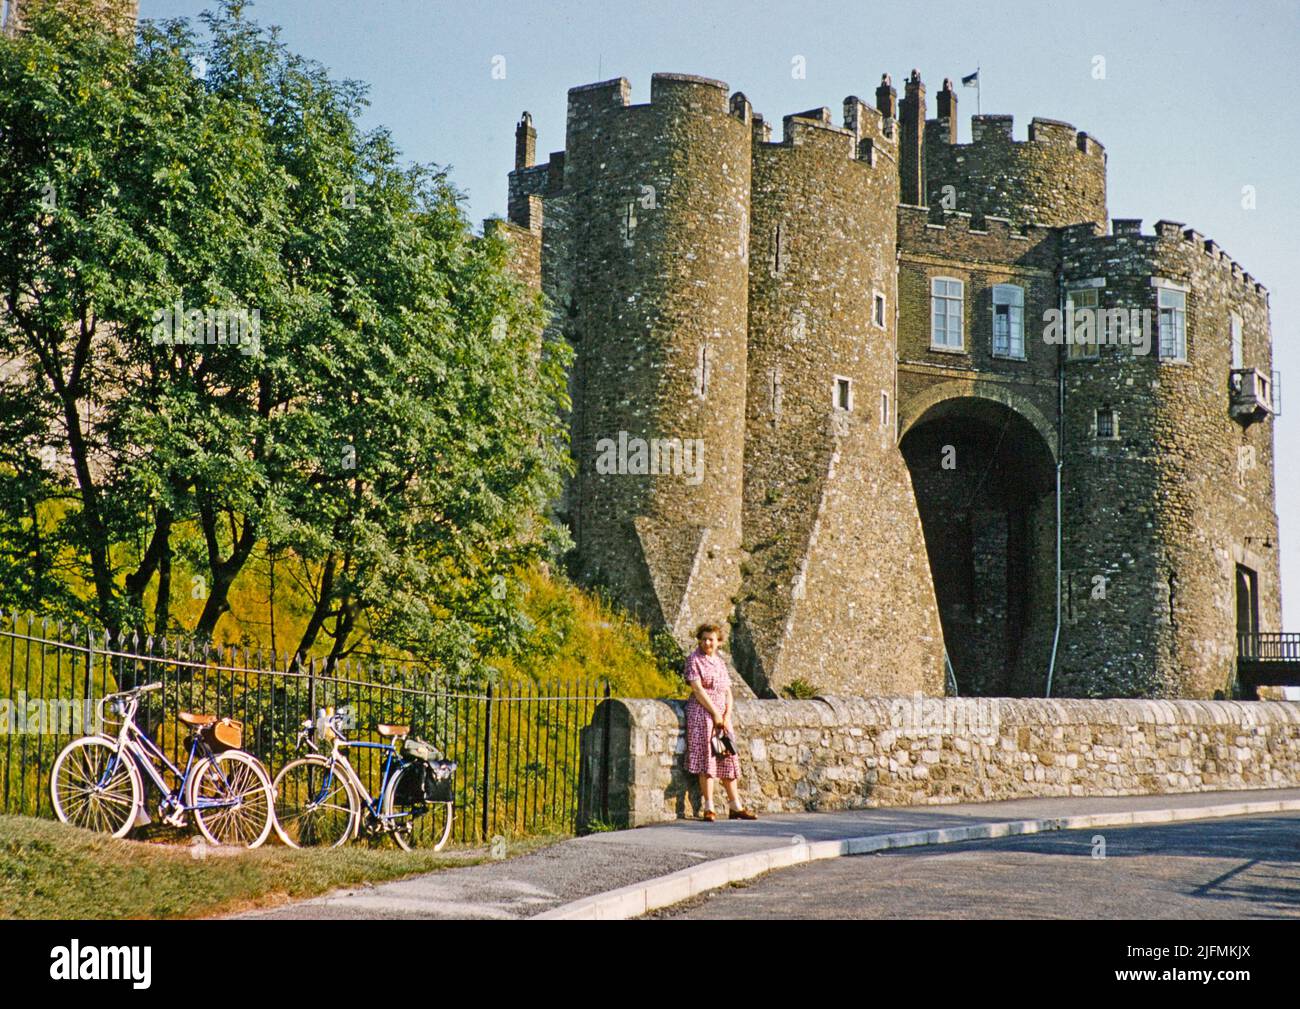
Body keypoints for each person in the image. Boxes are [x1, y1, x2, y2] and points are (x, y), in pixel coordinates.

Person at [683, 622, 757, 821]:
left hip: (721, 718)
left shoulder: (720, 662)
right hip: (702, 713)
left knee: (727, 757)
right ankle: (709, 807)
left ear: (718, 642)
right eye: (704, 639)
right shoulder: (693, 660)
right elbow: (697, 690)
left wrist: (725, 715)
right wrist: (715, 713)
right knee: (707, 758)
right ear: (699, 640)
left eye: (711, 639)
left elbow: (727, 692)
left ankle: (735, 806)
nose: (707, 643)